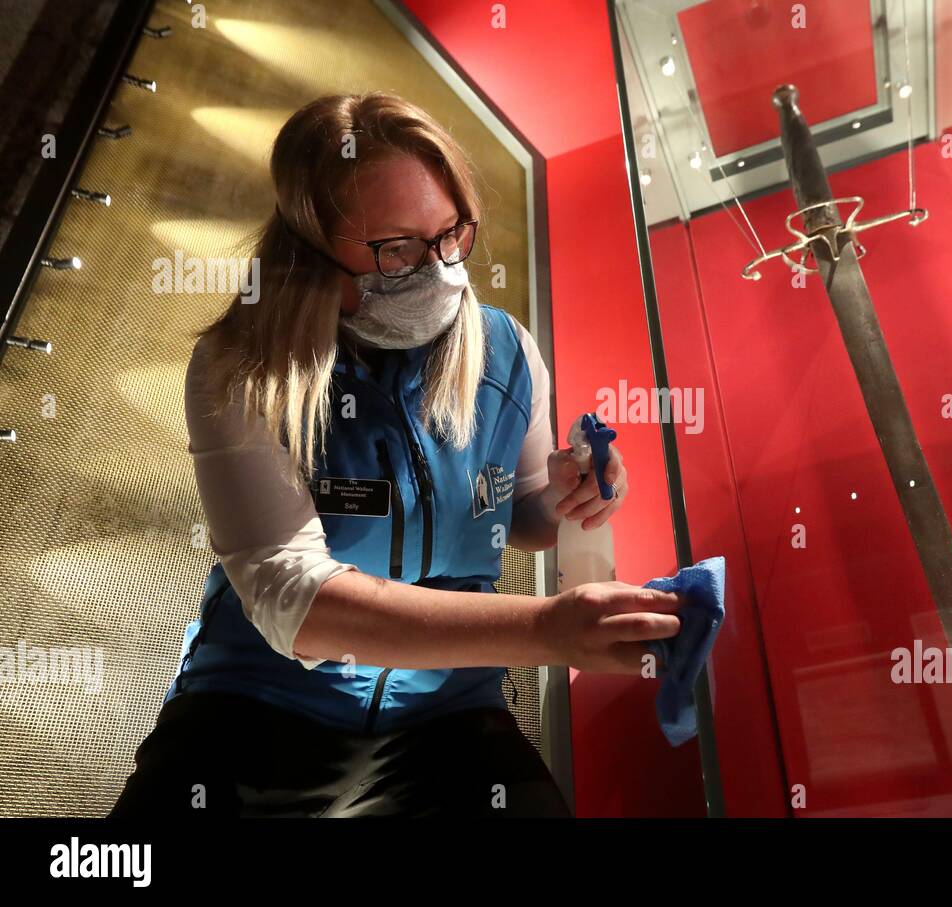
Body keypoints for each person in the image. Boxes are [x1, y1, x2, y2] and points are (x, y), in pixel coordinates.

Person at [108, 92, 682, 818]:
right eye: (397, 248)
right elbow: (296, 600)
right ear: (313, 249)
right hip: (257, 701)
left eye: (452, 234)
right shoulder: (241, 368)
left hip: (446, 714)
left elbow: (527, 512)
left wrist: (571, 490)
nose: (440, 268)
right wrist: (544, 628)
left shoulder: (508, 353)